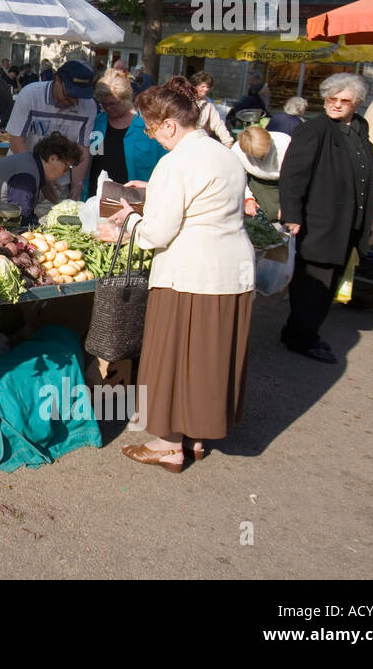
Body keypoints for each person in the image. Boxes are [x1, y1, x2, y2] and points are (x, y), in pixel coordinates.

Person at [97, 76, 256, 471]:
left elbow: (155, 234)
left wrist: (126, 223)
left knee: (170, 357)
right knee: (207, 360)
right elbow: (205, 194)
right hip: (231, 271)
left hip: (190, 273)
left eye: (152, 128)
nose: (152, 137)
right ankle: (196, 437)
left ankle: (168, 445)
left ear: (170, 124)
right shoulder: (223, 154)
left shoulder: (176, 161)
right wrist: (152, 188)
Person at [278, 73, 373, 364]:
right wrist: (293, 214)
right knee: (313, 285)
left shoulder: (360, 125)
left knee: (330, 281)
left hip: (348, 218)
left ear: (357, 103)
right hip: (321, 220)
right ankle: (303, 337)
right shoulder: (315, 129)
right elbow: (293, 174)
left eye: (343, 100)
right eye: (330, 99)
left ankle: (298, 331)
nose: (335, 105)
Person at [5, 60, 96, 202]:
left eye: (78, 97)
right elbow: (16, 142)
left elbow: (82, 149)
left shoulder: (89, 106)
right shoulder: (30, 94)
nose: (72, 101)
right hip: (22, 175)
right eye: (69, 94)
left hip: (59, 183)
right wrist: (41, 176)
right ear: (57, 79)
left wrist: (77, 186)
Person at [83, 68, 165, 198]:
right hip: (96, 196)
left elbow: (165, 164)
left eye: (113, 104)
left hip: (134, 199)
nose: (108, 108)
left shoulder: (148, 125)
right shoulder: (98, 123)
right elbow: (92, 159)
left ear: (126, 99)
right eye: (104, 104)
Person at [0, 133, 82, 226]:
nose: (66, 172)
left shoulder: (29, 162)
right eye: (67, 167)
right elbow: (20, 220)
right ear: (53, 158)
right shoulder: (27, 176)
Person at [233, 125, 291, 220]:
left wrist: (288, 204)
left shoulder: (285, 143)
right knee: (265, 214)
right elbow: (238, 179)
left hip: (287, 180)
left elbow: (296, 176)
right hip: (260, 182)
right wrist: (248, 199)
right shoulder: (236, 151)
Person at [189, 70, 234, 147]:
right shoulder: (185, 100)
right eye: (203, 86)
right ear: (195, 86)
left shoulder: (208, 104)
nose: (206, 89)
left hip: (200, 141)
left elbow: (217, 123)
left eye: (207, 87)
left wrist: (228, 141)